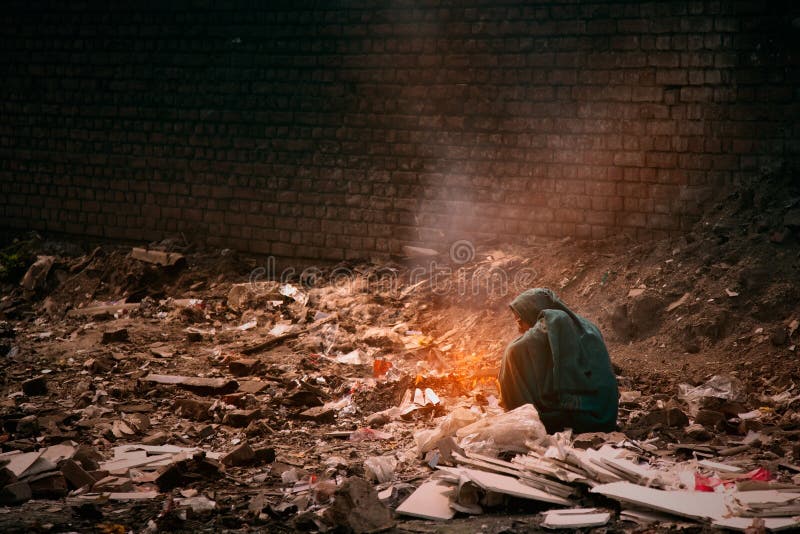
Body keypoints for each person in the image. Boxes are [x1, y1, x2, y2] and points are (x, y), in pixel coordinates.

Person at [498, 287, 619, 434]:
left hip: (586, 418)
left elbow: (516, 350)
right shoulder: (584, 326)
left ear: (535, 312)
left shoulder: (555, 320)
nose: (520, 329)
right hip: (606, 413)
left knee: (512, 354)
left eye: (520, 321)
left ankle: (523, 414)